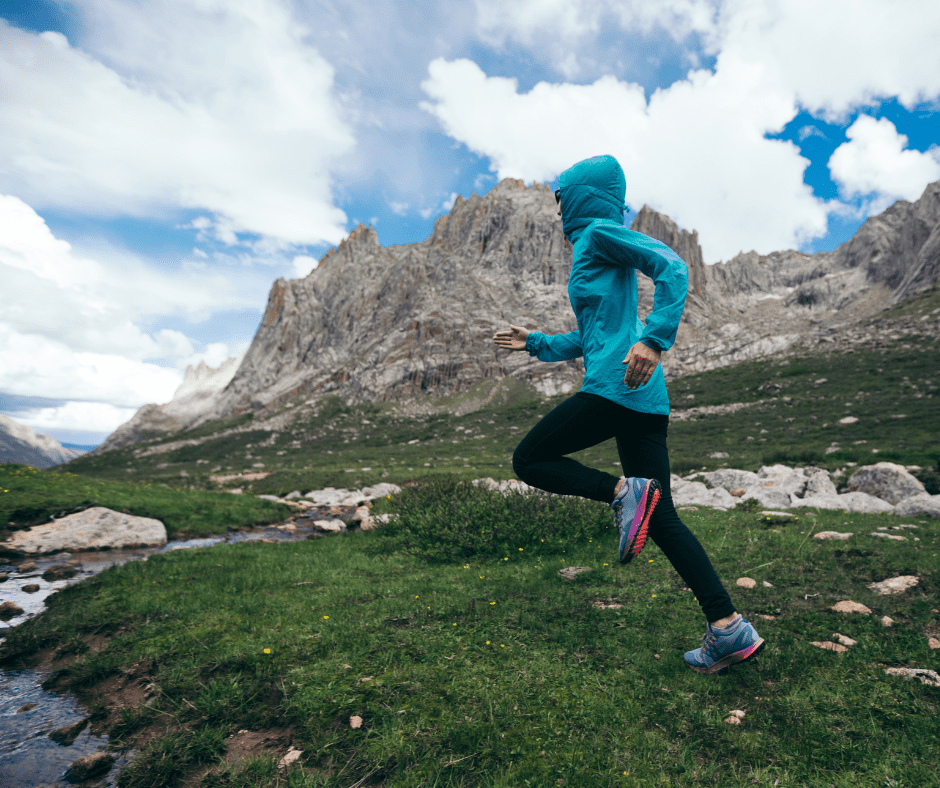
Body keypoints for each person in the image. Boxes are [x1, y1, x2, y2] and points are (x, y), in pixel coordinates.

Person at [492, 155, 764, 674]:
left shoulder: (597, 233)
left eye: (559, 199)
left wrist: (654, 339)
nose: (556, 212)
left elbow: (673, 268)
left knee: (529, 459)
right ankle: (728, 628)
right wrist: (536, 343)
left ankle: (621, 493)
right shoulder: (594, 246)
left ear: (581, 195)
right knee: (662, 517)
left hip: (616, 387)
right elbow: (592, 336)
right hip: (642, 397)